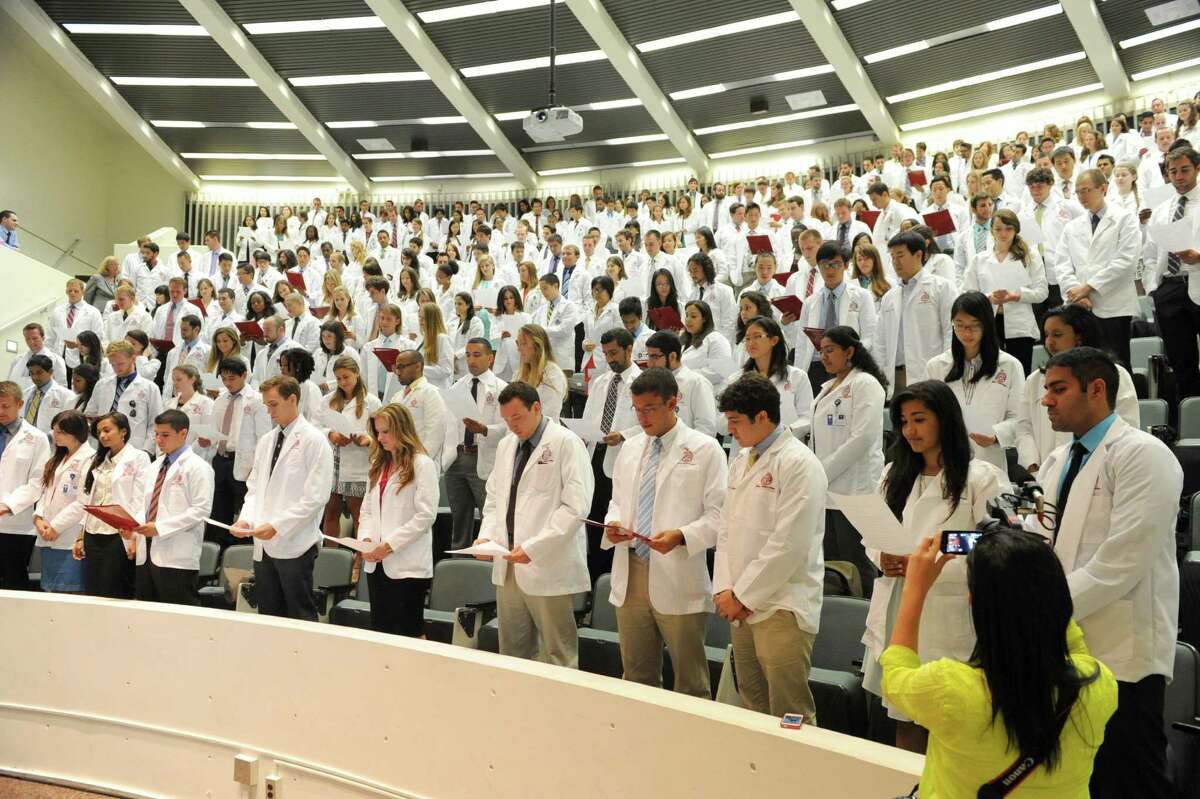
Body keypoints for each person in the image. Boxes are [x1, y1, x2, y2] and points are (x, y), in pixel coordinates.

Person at [1034, 347, 1183, 798]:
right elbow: (1040, 540)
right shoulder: (1059, 460)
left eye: (1058, 389)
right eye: (1046, 389)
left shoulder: (1143, 455)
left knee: (1130, 780)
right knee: (1079, 781)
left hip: (1124, 651)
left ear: (1096, 389)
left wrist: (1042, 608)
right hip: (1065, 646)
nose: (1046, 400)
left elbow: (1122, 561)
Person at [880, 531, 1116, 796]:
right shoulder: (1099, 684)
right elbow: (1072, 644)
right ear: (1060, 597)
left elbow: (896, 674)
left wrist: (915, 588)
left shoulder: (950, 690)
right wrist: (1040, 592)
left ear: (973, 602)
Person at [864, 380, 1007, 753]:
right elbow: (873, 534)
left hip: (949, 607)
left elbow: (994, 541)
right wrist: (883, 558)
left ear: (944, 419)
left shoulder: (980, 477)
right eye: (904, 422)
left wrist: (932, 554)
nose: (910, 430)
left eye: (919, 419)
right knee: (904, 714)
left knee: (946, 720)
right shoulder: (893, 473)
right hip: (899, 601)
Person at [601, 368, 726, 697]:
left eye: (650, 409)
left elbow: (720, 516)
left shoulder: (705, 449)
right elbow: (617, 501)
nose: (642, 418)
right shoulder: (630, 448)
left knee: (690, 681)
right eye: (637, 409)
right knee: (636, 677)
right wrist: (614, 523)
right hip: (631, 570)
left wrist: (682, 535)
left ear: (673, 403)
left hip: (678, 569)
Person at [713, 373, 826, 721]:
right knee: (752, 705)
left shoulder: (799, 463)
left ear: (762, 416)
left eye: (736, 421)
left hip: (782, 604)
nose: (730, 429)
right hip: (739, 602)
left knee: (790, 710)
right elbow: (725, 531)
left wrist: (743, 596)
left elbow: (788, 543)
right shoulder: (741, 461)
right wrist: (725, 590)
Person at [473, 381, 593, 668]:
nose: (512, 426)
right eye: (506, 420)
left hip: (547, 561)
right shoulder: (506, 445)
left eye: (517, 417)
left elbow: (576, 508)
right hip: (508, 560)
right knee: (512, 651)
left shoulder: (566, 442)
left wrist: (534, 548)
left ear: (537, 408)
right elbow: (494, 498)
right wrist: (487, 536)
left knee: (558, 654)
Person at [232, 376, 334, 621]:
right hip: (264, 543)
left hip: (295, 542)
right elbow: (254, 488)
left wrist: (278, 526)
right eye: (266, 405)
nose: (269, 411)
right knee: (269, 615)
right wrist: (246, 519)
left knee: (299, 614)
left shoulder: (315, 440)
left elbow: (316, 497)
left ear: (293, 399)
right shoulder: (267, 441)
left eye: (274, 404)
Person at [811, 326, 888, 598]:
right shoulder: (826, 387)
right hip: (827, 491)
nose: (824, 356)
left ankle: (865, 614)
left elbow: (862, 438)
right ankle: (839, 615)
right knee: (834, 565)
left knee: (858, 562)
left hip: (856, 489)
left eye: (830, 350)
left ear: (850, 351)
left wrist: (822, 472)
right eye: (821, 351)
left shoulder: (865, 384)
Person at [1015, 305, 1139, 471]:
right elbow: (1024, 428)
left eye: (1057, 335)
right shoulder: (1035, 379)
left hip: (1100, 470)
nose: (1049, 342)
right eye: (1046, 335)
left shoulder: (1114, 373)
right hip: (1044, 472)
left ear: (1079, 337)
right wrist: (1033, 466)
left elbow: (1126, 426)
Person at [357, 402, 438, 637]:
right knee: (381, 632)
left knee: (409, 633)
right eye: (377, 432)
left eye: (385, 432)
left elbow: (425, 515)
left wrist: (389, 545)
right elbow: (367, 510)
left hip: (407, 565)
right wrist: (366, 540)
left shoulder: (422, 464)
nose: (379, 438)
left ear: (402, 429)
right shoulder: (378, 465)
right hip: (377, 562)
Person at [926, 292, 1024, 472]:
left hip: (990, 459)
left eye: (974, 325)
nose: (966, 332)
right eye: (959, 325)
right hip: (947, 458)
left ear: (987, 324)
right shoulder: (936, 366)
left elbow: (1020, 417)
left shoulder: (1009, 365)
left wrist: (996, 436)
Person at [128, 410, 214, 605]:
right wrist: (133, 530)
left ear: (183, 433)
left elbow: (201, 510)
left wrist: (160, 527)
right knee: (145, 610)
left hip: (177, 555)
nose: (159, 440)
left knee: (177, 614)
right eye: (156, 434)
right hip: (146, 550)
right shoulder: (155, 465)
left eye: (165, 435)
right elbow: (144, 504)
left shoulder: (198, 467)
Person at [1057, 168, 1140, 370]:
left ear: (1103, 188)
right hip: (1081, 306)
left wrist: (1088, 287)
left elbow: (1126, 260)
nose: (1081, 196)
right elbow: (1062, 264)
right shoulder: (1072, 226)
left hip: (1114, 305)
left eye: (1085, 190)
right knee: (1084, 367)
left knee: (1116, 365)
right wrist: (1075, 292)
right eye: (1078, 192)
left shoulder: (1124, 218)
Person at [62, 413, 149, 597]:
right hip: (93, 533)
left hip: (120, 534)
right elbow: (89, 501)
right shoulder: (97, 460)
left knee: (116, 589)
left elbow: (140, 501)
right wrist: (80, 536)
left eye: (107, 430)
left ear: (123, 431)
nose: (102, 435)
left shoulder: (138, 457)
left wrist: (134, 537)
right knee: (93, 590)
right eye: (99, 432)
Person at [580, 328, 641, 580]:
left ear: (629, 349)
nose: (610, 359)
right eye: (606, 354)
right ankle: (593, 579)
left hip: (622, 458)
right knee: (593, 521)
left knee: (613, 523)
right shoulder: (601, 382)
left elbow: (649, 424)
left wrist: (624, 435)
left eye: (614, 353)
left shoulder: (641, 381)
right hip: (595, 455)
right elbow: (589, 417)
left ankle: (609, 578)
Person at [1143, 146, 1200, 397]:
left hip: (1197, 277)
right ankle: (1190, 411)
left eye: (1185, 170)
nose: (1178, 177)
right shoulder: (1161, 209)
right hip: (1168, 289)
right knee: (1180, 362)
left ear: (1197, 169)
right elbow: (1149, 254)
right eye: (1173, 171)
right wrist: (1152, 288)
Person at [961, 209, 1046, 375]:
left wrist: (1015, 296)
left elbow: (1041, 292)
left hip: (1020, 324)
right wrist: (989, 297)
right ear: (991, 230)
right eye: (998, 229)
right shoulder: (980, 259)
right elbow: (967, 292)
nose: (1003, 233)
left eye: (1008, 228)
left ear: (1016, 230)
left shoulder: (1030, 256)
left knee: (1020, 373)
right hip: (988, 323)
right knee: (990, 374)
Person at [872, 231, 956, 396]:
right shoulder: (889, 297)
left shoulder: (941, 287)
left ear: (918, 255)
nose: (895, 262)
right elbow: (880, 340)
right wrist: (881, 375)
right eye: (892, 257)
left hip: (931, 374)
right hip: (896, 377)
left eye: (900, 255)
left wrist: (945, 369)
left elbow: (950, 331)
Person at [16, 410, 93, 593]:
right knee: (49, 592)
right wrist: (38, 518)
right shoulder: (57, 458)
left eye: (60, 432)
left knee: (68, 593)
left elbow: (83, 502)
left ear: (75, 432)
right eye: (54, 430)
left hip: (69, 537)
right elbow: (45, 493)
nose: (54, 435)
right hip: (48, 535)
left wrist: (56, 526)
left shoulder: (90, 459)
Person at [444, 339, 507, 551]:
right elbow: (449, 425)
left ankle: (488, 561)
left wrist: (485, 429)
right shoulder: (457, 387)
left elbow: (508, 428)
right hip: (457, 458)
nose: (471, 360)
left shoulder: (502, 389)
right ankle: (458, 563)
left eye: (477, 355)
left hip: (483, 457)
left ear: (490, 358)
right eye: (468, 355)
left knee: (490, 518)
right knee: (459, 520)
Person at [202, 358, 271, 549]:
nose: (227, 383)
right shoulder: (220, 400)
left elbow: (264, 437)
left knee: (244, 509)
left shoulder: (257, 400)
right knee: (219, 509)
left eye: (232, 378)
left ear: (244, 375)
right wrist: (207, 439)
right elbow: (215, 429)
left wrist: (256, 467)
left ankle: (243, 551)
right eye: (224, 379)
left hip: (244, 461)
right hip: (221, 459)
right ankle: (218, 551)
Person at [793, 242, 878, 388]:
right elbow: (801, 343)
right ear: (818, 267)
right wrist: (797, 378)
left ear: (846, 265)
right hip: (816, 366)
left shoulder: (862, 296)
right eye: (825, 265)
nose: (830, 269)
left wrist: (850, 356)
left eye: (836, 264)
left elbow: (870, 336)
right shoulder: (810, 302)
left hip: (847, 366)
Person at [320, 356, 380, 544]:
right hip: (333, 463)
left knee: (359, 515)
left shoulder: (372, 402)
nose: (342, 382)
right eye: (338, 378)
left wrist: (366, 439)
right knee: (331, 512)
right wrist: (330, 434)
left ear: (357, 373)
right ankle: (330, 555)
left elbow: (380, 432)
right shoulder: (328, 400)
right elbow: (316, 426)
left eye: (346, 377)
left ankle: (360, 559)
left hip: (358, 463)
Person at [85, 341, 163, 452]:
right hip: (102, 446)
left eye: (121, 364)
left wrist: (147, 451)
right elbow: (90, 414)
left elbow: (155, 423)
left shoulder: (150, 388)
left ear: (133, 358)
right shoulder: (102, 385)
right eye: (113, 365)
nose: (116, 368)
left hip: (134, 448)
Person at [643, 331, 718, 437]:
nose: (649, 363)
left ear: (672, 356)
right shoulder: (652, 383)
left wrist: (681, 446)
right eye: (648, 356)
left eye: (655, 357)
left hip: (687, 446)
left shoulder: (697, 383)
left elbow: (707, 429)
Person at [388, 350, 447, 468]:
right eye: (396, 368)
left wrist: (420, 462)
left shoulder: (431, 393)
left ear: (417, 366)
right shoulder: (397, 397)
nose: (398, 372)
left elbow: (436, 433)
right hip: (399, 461)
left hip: (421, 463)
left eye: (402, 367)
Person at [46, 278, 104, 374]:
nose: (72, 294)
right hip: (59, 355)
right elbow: (50, 336)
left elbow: (98, 337)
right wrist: (48, 356)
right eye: (70, 291)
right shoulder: (57, 311)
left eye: (76, 291)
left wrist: (79, 345)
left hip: (81, 357)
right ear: (66, 292)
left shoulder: (93, 312)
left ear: (83, 292)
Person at [528, 274, 581, 374]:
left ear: (555, 286)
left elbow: (564, 330)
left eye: (545, 288)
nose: (543, 292)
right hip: (545, 359)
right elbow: (533, 326)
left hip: (562, 359)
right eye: (541, 290)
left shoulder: (569, 306)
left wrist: (541, 330)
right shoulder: (542, 308)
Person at [515, 324, 568, 419]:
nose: (518, 349)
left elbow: (549, 415)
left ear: (538, 345)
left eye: (524, 344)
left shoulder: (553, 374)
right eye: (518, 344)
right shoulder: (519, 373)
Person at [21, 354, 75, 434]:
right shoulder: (25, 394)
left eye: (39, 372)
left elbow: (67, 426)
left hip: (50, 440)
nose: (35, 377)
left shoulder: (66, 396)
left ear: (50, 372)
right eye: (31, 373)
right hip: (24, 437)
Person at [164, 364, 215, 450]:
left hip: (195, 454)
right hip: (169, 453)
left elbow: (206, 436)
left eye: (179, 379)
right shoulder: (169, 404)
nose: (175, 383)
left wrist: (185, 453)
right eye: (173, 380)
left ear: (192, 379)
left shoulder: (206, 403)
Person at [161, 315, 210, 402]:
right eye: (181, 329)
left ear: (196, 330)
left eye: (185, 329)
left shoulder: (207, 351)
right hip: (172, 397)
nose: (182, 332)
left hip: (196, 397)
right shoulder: (173, 351)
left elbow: (209, 379)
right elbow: (167, 376)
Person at [8, 323, 67, 391]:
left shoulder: (57, 360)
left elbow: (62, 387)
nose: (31, 342)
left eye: (35, 338)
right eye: (28, 339)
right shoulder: (17, 360)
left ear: (43, 338)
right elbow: (9, 382)